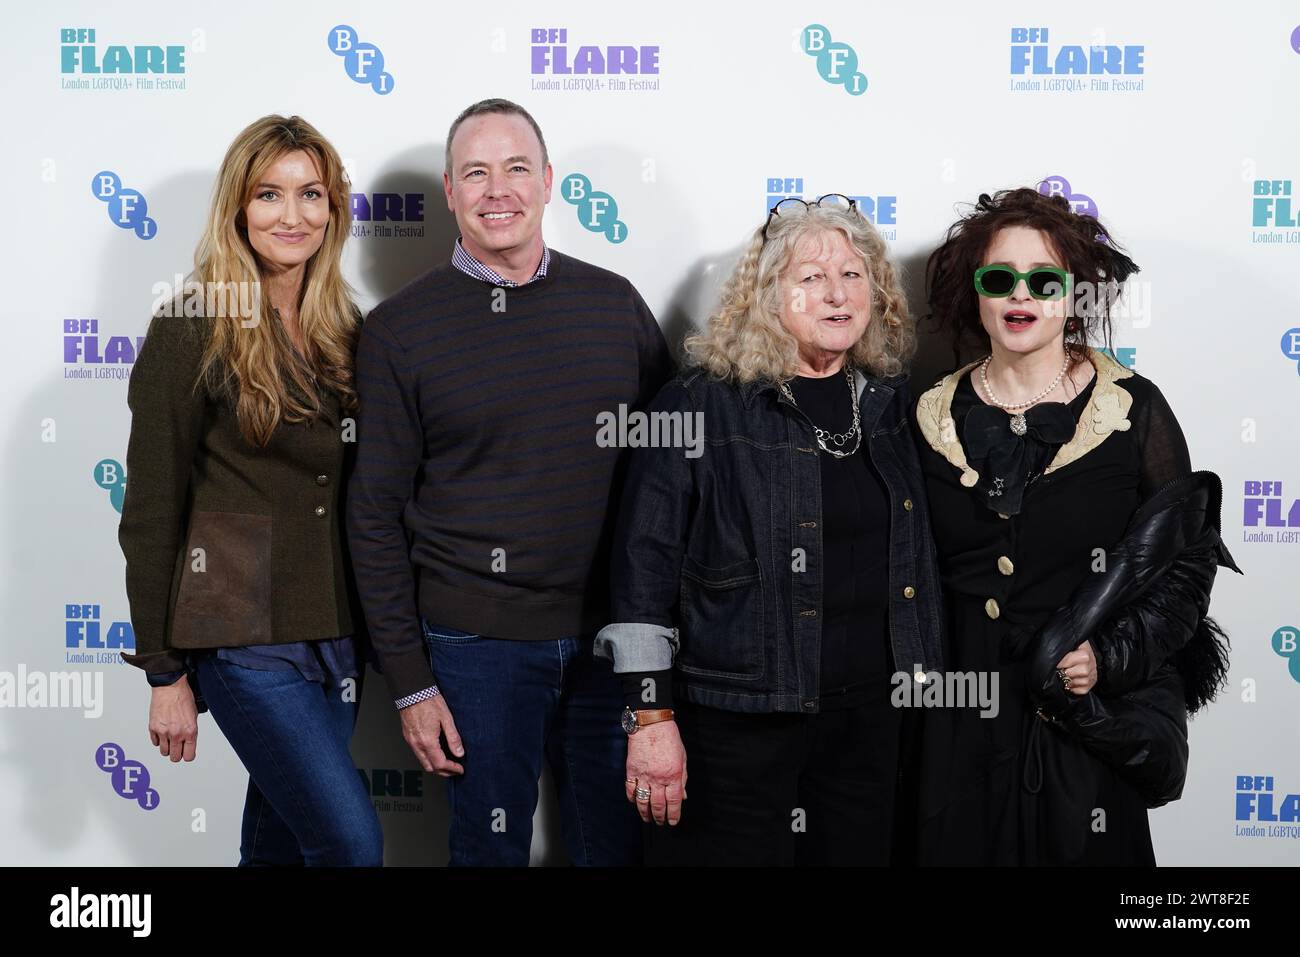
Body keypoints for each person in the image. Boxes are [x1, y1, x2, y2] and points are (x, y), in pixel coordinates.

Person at [346, 98, 673, 866]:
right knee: (487, 852)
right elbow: (373, 516)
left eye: (517, 168)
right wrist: (410, 683)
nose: (500, 189)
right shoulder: (400, 330)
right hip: (473, 648)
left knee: (614, 848)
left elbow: (670, 483)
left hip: (609, 644)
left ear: (550, 181)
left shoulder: (614, 304)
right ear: (451, 192)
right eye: (476, 172)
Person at [595, 196, 944, 865]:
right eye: (811, 278)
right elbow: (641, 578)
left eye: (851, 275)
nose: (836, 294)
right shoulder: (699, 404)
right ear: (768, 294)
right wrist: (651, 718)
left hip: (869, 719)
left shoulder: (890, 402)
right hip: (737, 723)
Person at [912, 186, 1237, 865]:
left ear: (1073, 295)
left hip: (1078, 734)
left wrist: (1108, 657)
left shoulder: (1132, 410)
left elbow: (1184, 565)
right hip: (955, 740)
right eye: (999, 278)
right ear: (977, 294)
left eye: (1043, 279)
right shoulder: (926, 414)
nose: (1019, 295)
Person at [118, 115, 383, 866]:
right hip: (238, 637)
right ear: (237, 207)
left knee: (277, 847)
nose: (291, 215)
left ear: (333, 209)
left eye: (310, 194)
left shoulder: (342, 326)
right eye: (269, 194)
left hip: (334, 630)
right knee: (350, 844)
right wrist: (164, 671)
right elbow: (150, 513)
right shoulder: (191, 326)